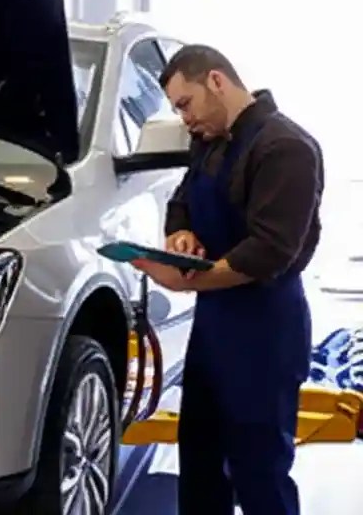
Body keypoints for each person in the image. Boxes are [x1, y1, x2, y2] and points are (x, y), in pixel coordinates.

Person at [131, 44, 322, 515]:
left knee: (259, 467)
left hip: (266, 327)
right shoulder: (210, 142)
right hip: (214, 328)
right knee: (199, 457)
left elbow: (268, 253)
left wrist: (185, 283)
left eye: (185, 105)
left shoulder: (286, 148)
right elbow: (182, 200)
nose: (184, 119)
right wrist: (181, 235)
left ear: (216, 81)